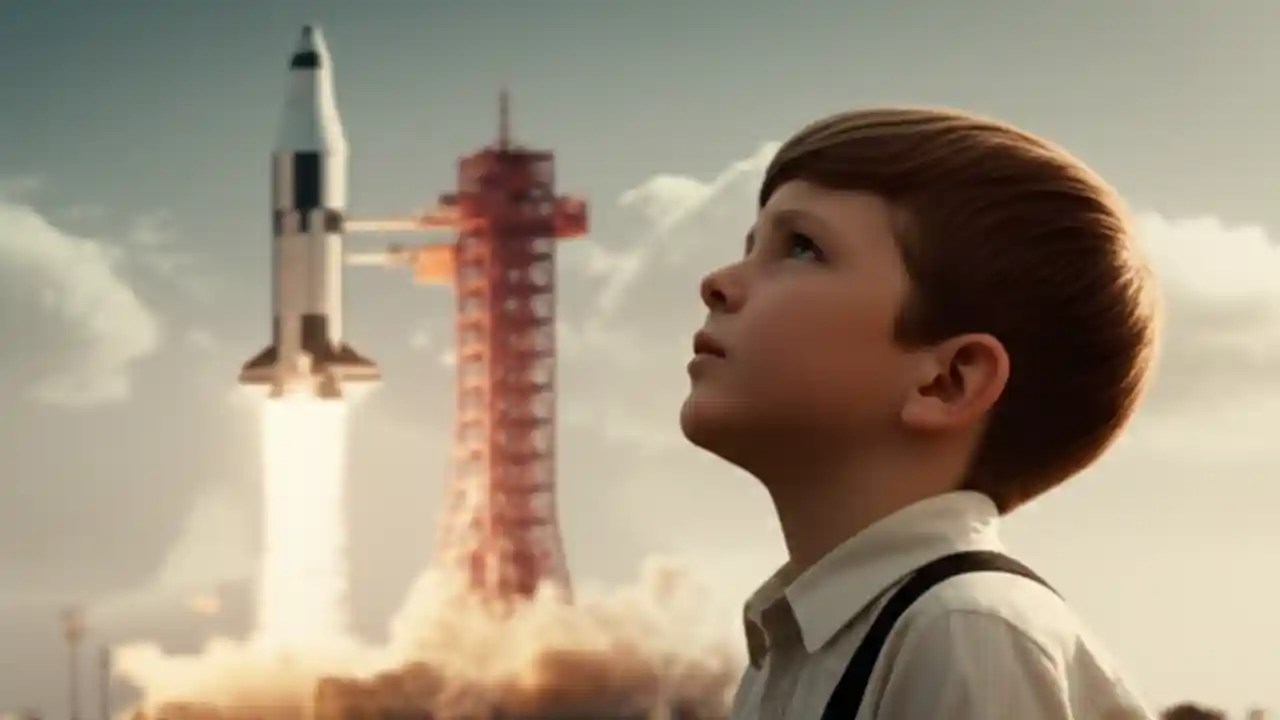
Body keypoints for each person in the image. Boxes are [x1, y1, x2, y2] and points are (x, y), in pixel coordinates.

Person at [679, 107, 1160, 719]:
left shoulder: (966, 631)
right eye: (751, 245)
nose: (717, 282)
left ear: (948, 381)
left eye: (801, 247)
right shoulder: (797, 649)